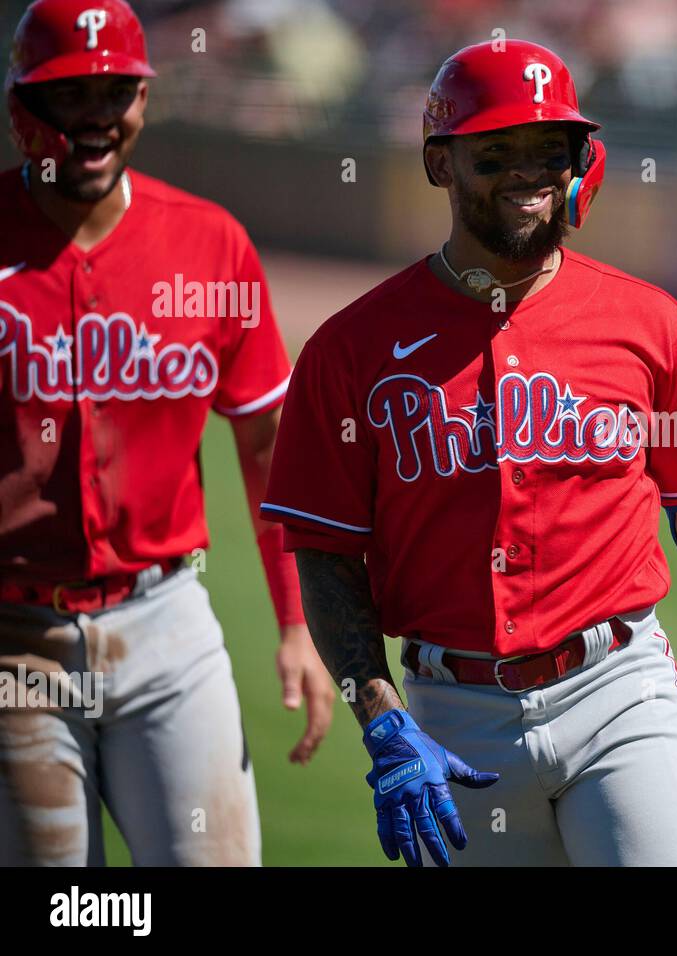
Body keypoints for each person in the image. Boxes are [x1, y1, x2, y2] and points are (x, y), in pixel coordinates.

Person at [261, 39, 677, 866]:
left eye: (550, 151)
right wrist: (381, 717)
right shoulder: (351, 348)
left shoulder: (652, 325)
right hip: (452, 714)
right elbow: (325, 554)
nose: (528, 173)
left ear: (582, 162)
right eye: (495, 152)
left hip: (621, 693)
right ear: (441, 165)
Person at [0, 0, 333, 866]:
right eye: (70, 94)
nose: (97, 117)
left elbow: (268, 451)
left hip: (168, 631)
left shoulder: (209, 244)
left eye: (118, 90)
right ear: (21, 110)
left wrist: (299, 625)